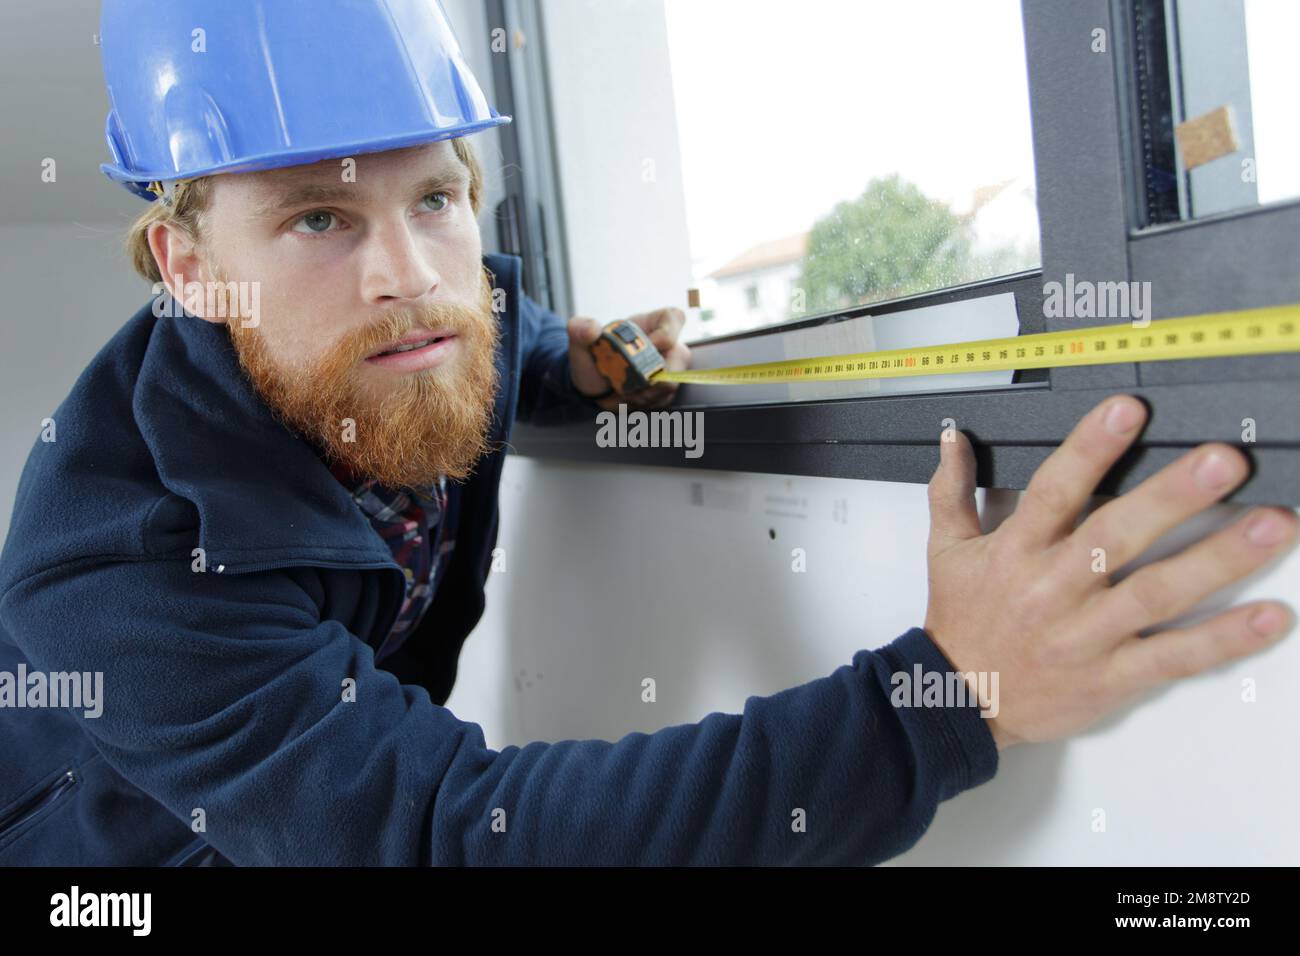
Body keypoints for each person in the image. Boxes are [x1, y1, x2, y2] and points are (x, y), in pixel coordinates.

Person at [0, 0, 1294, 866]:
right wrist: (944, 699)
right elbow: (453, 837)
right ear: (183, 263)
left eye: (438, 195)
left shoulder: (445, 313)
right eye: (317, 220)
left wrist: (587, 364)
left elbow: (518, 333)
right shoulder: (115, 569)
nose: (414, 274)